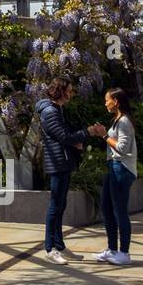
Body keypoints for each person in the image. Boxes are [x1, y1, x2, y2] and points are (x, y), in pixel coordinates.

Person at [37, 79, 90, 264]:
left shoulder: (57, 110)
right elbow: (64, 137)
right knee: (55, 206)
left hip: (63, 162)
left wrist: (75, 140)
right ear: (60, 91)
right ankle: (50, 249)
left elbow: (64, 135)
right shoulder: (51, 111)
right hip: (57, 163)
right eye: (68, 91)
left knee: (61, 205)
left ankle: (59, 245)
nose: (71, 94)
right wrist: (87, 132)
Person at [88, 88, 138, 265]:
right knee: (107, 209)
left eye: (107, 100)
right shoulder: (117, 120)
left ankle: (124, 253)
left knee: (119, 211)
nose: (105, 103)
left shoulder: (124, 121)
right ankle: (112, 249)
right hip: (113, 167)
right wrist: (104, 133)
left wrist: (103, 136)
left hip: (122, 168)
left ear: (116, 101)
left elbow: (123, 148)